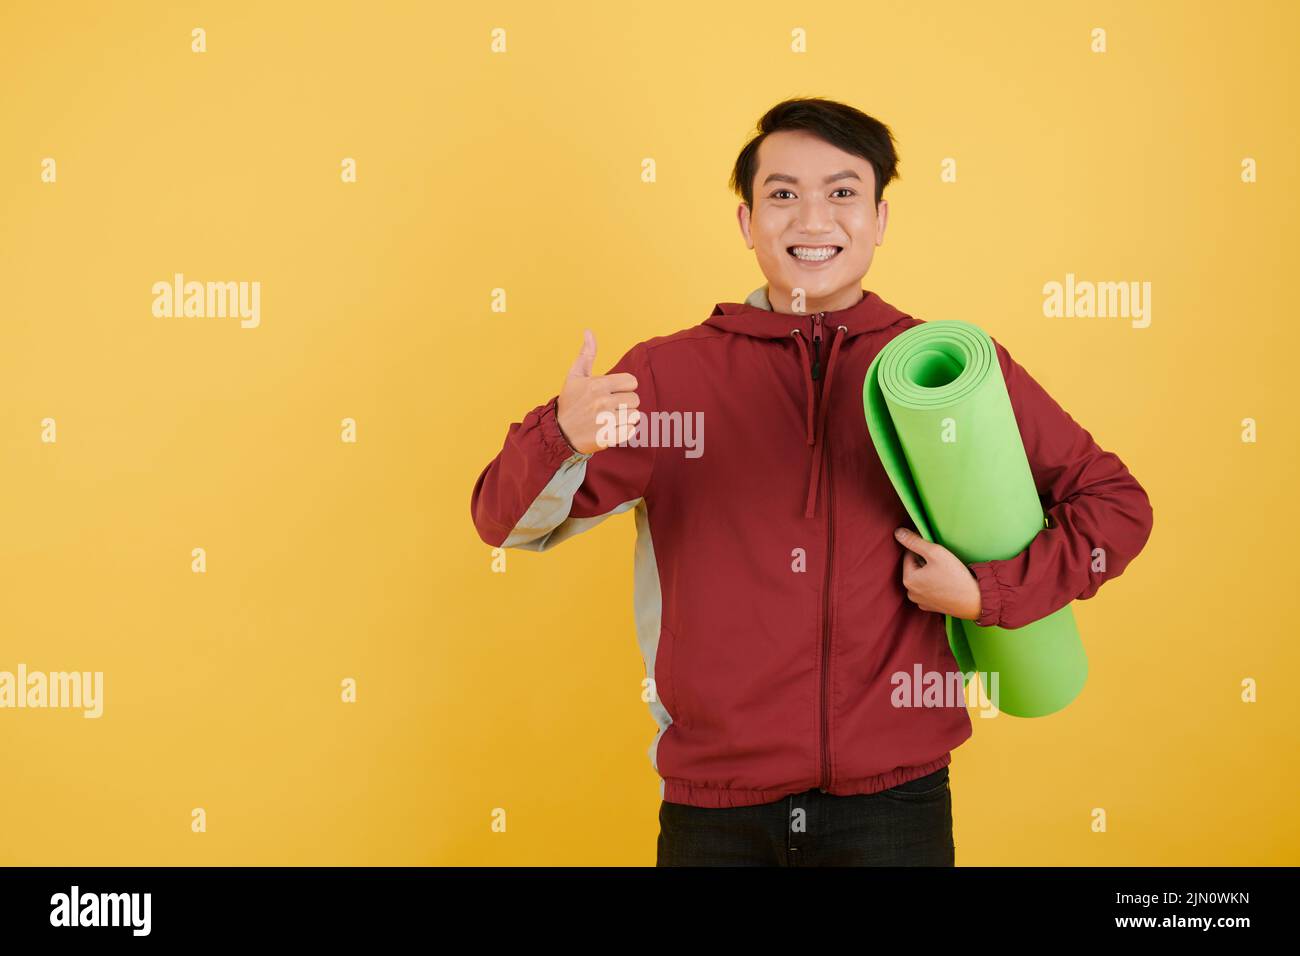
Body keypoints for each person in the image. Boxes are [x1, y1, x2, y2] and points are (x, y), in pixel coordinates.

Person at [469, 97, 1154, 866]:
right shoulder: (667, 376)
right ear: (746, 222)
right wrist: (559, 436)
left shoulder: (946, 369)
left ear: (880, 218)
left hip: (897, 803)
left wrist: (985, 597)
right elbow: (506, 522)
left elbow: (1116, 506)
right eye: (783, 195)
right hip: (716, 810)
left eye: (841, 192)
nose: (812, 219)